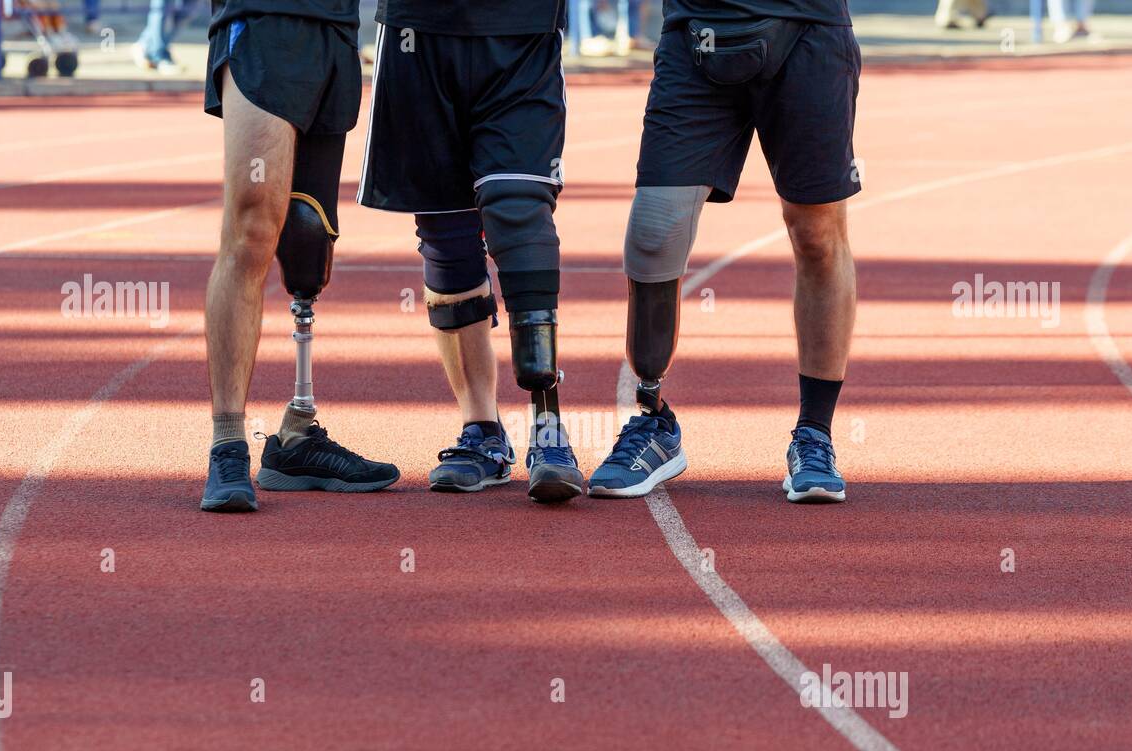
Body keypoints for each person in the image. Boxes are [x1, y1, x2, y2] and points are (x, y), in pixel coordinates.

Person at [589, 0, 860, 503]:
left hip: (809, 29)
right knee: (655, 231)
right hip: (695, 29)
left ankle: (815, 434)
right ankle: (653, 420)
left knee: (816, 234)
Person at [358, 0, 584, 503]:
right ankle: (482, 431)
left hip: (521, 31)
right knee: (446, 235)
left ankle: (548, 428)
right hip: (418, 31)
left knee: (519, 211)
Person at [199, 0, 399, 512]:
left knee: (309, 242)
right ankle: (228, 444)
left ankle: (297, 436)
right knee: (251, 229)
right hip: (264, 22)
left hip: (335, 30)